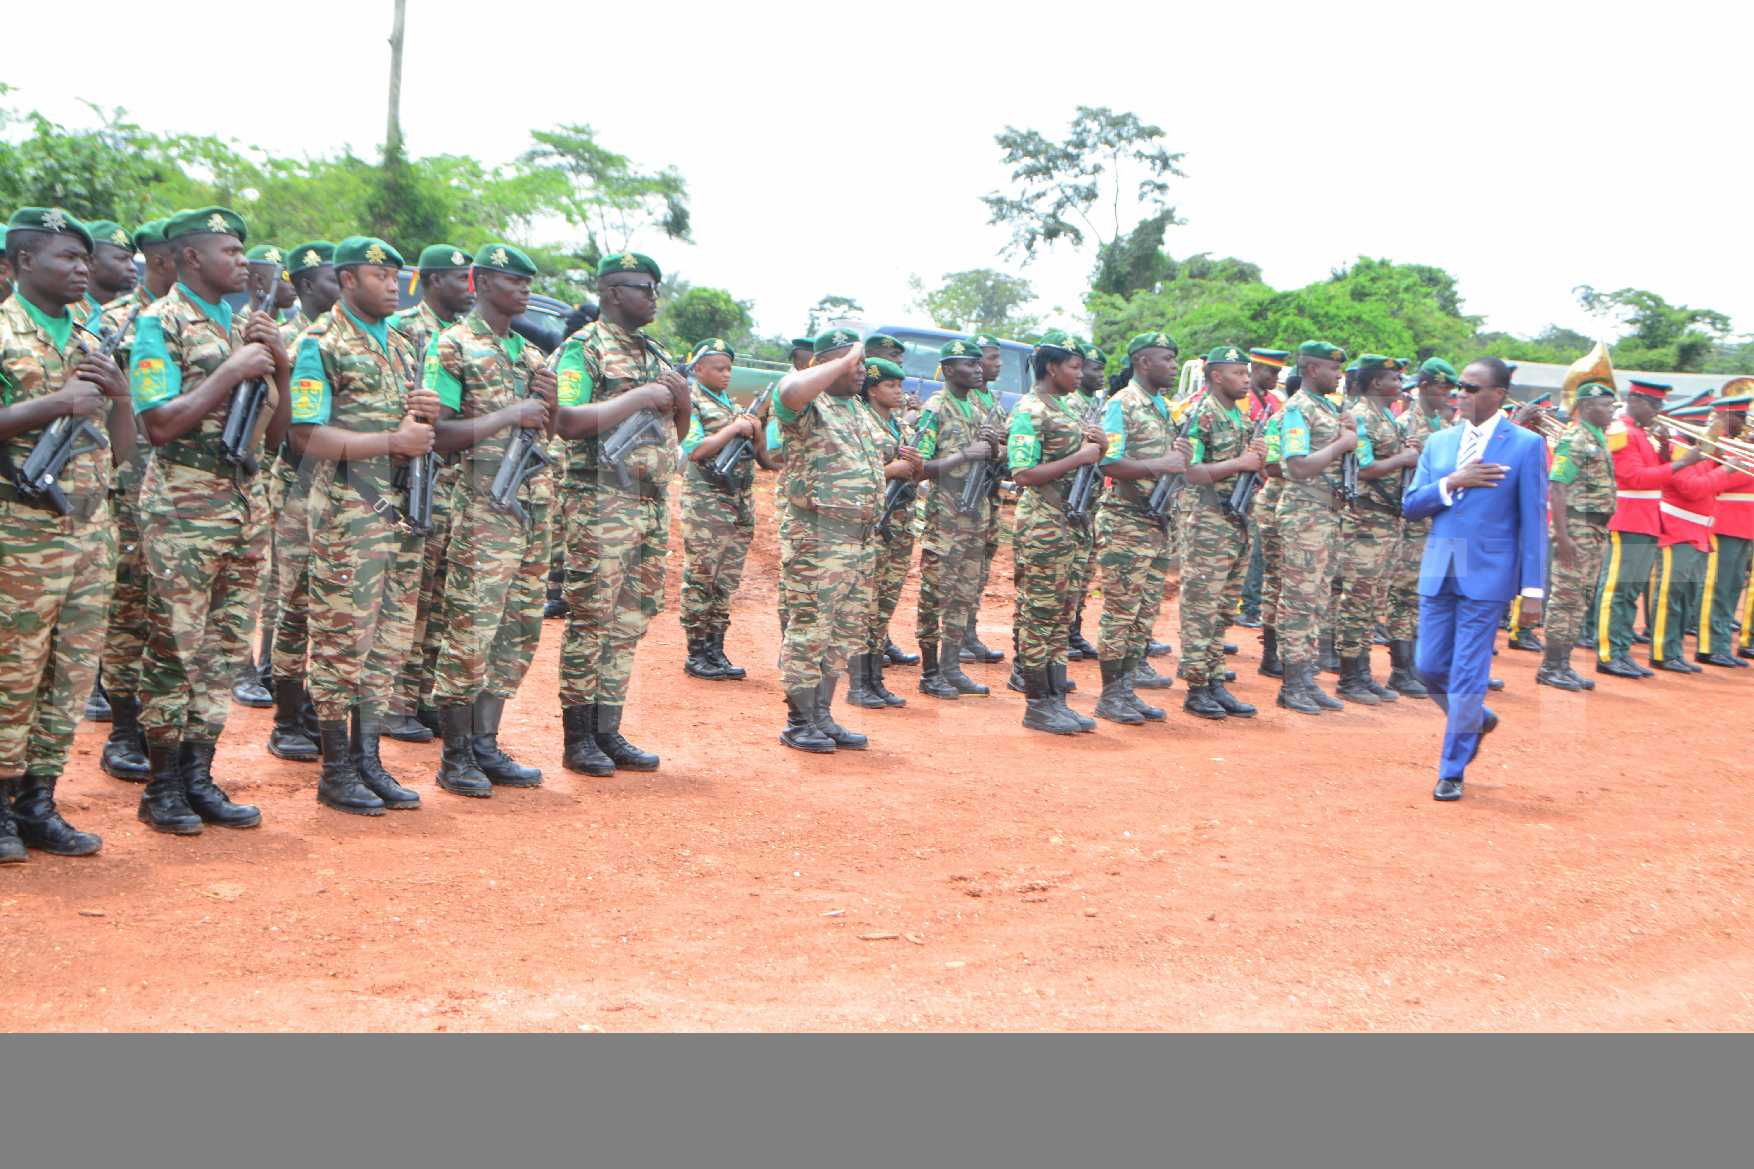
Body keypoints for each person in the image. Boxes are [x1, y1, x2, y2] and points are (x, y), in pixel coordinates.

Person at [130, 206, 289, 834]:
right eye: (229, 250)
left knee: (223, 648)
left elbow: (275, 436)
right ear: (192, 258)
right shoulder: (159, 322)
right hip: (183, 506)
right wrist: (232, 369)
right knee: (176, 644)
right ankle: (162, 787)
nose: (243, 261)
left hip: (245, 506)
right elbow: (159, 424)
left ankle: (199, 775)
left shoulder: (243, 324)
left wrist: (274, 359)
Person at [288, 236, 438, 814]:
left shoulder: (401, 343)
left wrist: (423, 416)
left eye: (397, 274)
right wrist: (392, 441)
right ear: (347, 279)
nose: (393, 283)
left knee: (390, 642)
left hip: (400, 513)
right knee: (341, 642)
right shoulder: (320, 343)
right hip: (349, 514)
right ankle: (336, 770)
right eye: (381, 274)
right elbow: (305, 436)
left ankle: (368, 760)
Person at [0, 208, 131, 860]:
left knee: (71, 673)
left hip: (90, 533)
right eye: (65, 257)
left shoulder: (91, 337)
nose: (81, 267)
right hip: (18, 533)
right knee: (11, 670)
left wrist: (121, 394)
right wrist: (54, 403)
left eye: (85, 257)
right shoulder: (2, 329)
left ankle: (39, 802)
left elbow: (120, 450)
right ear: (23, 263)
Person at [550, 252, 688, 776]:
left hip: (650, 501)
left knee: (629, 622)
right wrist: (638, 396)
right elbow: (566, 420)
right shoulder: (581, 351)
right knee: (591, 619)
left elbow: (678, 424)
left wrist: (680, 397)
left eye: (654, 287)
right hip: (601, 500)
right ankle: (578, 737)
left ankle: (608, 730)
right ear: (612, 294)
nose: (652, 296)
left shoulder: (656, 352)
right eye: (642, 287)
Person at [424, 243, 553, 798]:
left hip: (530, 508)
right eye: (511, 279)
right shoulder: (452, 347)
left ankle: (486, 744)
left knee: (518, 631)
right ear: (480, 281)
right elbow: (438, 433)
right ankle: (455, 757)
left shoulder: (529, 354)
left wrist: (548, 403)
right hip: (479, 509)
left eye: (528, 280)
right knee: (470, 633)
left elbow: (553, 429)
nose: (523, 288)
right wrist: (510, 413)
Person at [1403, 357, 1549, 802]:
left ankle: (1452, 769)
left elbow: (1532, 520)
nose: (1460, 394)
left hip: (1489, 573)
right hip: (1442, 564)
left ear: (1498, 395)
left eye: (1470, 387)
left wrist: (1533, 589)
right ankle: (1477, 718)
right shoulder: (1440, 443)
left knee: (1467, 674)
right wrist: (1453, 481)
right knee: (1428, 668)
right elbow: (1411, 506)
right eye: (1458, 387)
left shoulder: (1524, 445)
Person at [772, 329, 884, 752]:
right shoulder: (806, 404)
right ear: (827, 365)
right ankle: (798, 721)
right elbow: (788, 389)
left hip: (858, 538)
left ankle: (822, 715)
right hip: (817, 537)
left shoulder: (856, 407)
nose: (862, 370)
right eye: (854, 363)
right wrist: (840, 360)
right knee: (809, 631)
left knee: (842, 633)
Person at [384, 244, 474, 741]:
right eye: (461, 278)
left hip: (457, 487)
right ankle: (395, 704)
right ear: (435, 280)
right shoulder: (403, 330)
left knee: (441, 598)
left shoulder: (464, 338)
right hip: (414, 481)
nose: (469, 288)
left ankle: (424, 698)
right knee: (408, 596)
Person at [96, 217, 175, 782]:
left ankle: (164, 729)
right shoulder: (113, 322)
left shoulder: (223, 324)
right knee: (128, 611)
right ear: (165, 258)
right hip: (127, 486)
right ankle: (125, 731)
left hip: (189, 497)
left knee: (171, 615)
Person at [263, 241, 338, 762]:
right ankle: (288, 719)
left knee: (328, 608)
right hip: (294, 485)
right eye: (335, 277)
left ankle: (314, 708)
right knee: (291, 604)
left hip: (342, 489)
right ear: (307, 284)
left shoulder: (352, 339)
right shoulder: (286, 339)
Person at [1008, 331, 1104, 735]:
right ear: (1052, 367)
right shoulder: (1030, 411)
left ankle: (1055, 700)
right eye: (1074, 366)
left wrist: (1099, 446)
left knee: (1063, 616)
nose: (1080, 374)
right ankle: (1037, 704)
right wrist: (1081, 455)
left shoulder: (1065, 409)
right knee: (1040, 615)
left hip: (1070, 524)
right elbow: (1023, 473)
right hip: (1044, 524)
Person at [1090, 331, 1184, 725]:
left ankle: (1127, 691)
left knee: (1144, 614)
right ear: (1144, 362)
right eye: (1167, 358)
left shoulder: (1162, 407)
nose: (1174, 366)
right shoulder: (1122, 404)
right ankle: (1110, 696)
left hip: (1156, 522)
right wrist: (1160, 465)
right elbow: (1108, 463)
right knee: (1121, 613)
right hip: (1126, 520)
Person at [1177, 345, 1269, 720]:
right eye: (1238, 373)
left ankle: (1214, 678)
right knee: (1201, 606)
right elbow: (1189, 472)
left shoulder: (1240, 417)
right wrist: (1241, 462)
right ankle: (1197, 686)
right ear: (1217, 376)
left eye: (1247, 373)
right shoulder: (1201, 415)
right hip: (1207, 521)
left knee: (1221, 608)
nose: (1247, 379)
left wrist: (1258, 459)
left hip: (1236, 522)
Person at [1595, 379, 1704, 678]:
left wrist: (1667, 449)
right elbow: (1636, 478)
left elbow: (1657, 476)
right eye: (1654, 405)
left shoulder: (1641, 435)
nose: (1658, 411)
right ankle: (1607, 653)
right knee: (1617, 588)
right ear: (1637, 401)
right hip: (1628, 517)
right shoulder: (1622, 433)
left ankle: (1620, 649)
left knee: (1630, 591)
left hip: (1644, 519)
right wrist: (1682, 465)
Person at [912, 338, 1000, 699]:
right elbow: (917, 466)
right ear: (948, 370)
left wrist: (994, 447)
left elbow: (994, 459)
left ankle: (952, 667)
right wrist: (965, 454)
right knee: (936, 594)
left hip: (975, 513)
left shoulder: (978, 410)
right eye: (969, 363)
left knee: (963, 594)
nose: (978, 368)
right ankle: (931, 671)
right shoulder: (937, 407)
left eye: (980, 363)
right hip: (945, 513)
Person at [1273, 341, 1356, 714]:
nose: (1339, 375)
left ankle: (1306, 679)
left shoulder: (1327, 407)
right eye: (1332, 368)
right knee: (1299, 600)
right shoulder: (1298, 409)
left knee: (1318, 599)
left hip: (1325, 515)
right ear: (1311, 370)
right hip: (1305, 513)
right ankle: (1292, 685)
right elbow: (1298, 466)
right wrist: (1341, 445)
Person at [1335, 355, 1418, 704]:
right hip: (1366, 520)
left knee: (1373, 601)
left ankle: (1364, 671)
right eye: (1393, 380)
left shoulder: (1387, 417)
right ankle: (1349, 676)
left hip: (1387, 520)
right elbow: (1364, 468)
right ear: (1374, 384)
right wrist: (1403, 458)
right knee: (1357, 597)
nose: (1399, 385)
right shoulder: (1361, 416)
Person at [678, 337, 758, 681]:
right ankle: (696, 652)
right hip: (707, 503)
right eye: (719, 368)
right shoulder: (691, 401)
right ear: (698, 369)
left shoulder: (729, 403)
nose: (727, 374)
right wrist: (735, 428)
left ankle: (716, 647)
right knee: (701, 576)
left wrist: (752, 427)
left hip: (738, 500)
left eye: (729, 368)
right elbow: (695, 449)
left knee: (726, 580)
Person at [847, 357, 923, 708]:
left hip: (899, 526)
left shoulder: (900, 426)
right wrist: (897, 468)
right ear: (873, 388)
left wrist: (917, 467)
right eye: (891, 386)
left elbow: (915, 474)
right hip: (872, 526)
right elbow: (857, 472)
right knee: (864, 607)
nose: (899, 392)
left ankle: (876, 678)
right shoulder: (860, 422)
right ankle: (859, 683)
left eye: (900, 386)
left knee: (884, 607)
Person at [1538, 378, 1619, 690]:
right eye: (1605, 404)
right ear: (1586, 406)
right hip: (1576, 528)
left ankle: (1563, 664)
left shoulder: (1596, 438)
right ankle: (1550, 666)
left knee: (1581, 599)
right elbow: (1557, 487)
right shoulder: (1575, 439)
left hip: (1594, 530)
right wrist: (1563, 536)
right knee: (1565, 598)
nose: (1611, 410)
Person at [1384, 359, 1456, 698]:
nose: (1447, 394)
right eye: (1442, 387)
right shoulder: (1404, 424)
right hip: (1413, 522)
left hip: (1440, 521)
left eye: (1450, 389)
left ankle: (1422, 665)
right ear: (1423, 386)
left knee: (1430, 593)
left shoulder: (1444, 424)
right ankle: (1401, 670)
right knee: (1405, 593)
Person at [1650, 404, 1729, 674]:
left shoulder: (1700, 451)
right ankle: (1662, 651)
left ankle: (1674, 651)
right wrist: (1727, 470)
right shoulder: (1681, 449)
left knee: (1685, 597)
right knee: (1671, 595)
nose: (1708, 428)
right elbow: (1693, 489)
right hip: (1677, 532)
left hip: (1697, 534)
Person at [1698, 393, 1754, 666]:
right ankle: (1710, 645)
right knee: (1718, 587)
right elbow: (1722, 481)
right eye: (1740, 416)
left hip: (1746, 527)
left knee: (1733, 588)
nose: (1745, 422)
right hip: (1725, 524)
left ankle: (1722, 644)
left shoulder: (1739, 447)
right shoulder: (1720, 447)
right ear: (1723, 416)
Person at [1236, 347, 1288, 629]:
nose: (1275, 378)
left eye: (1278, 372)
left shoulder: (1275, 403)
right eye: (1271, 371)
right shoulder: (1242, 402)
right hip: (1242, 484)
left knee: (1256, 550)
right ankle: (1250, 605)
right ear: (1255, 370)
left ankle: (1252, 603)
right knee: (1250, 551)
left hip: (1262, 485)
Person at [1064, 340, 1107, 663]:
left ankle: (1074, 629)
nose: (1098, 375)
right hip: (1069, 499)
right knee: (1068, 572)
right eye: (1094, 368)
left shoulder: (1097, 405)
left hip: (1091, 498)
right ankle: (1064, 632)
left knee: (1084, 570)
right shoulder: (1072, 404)